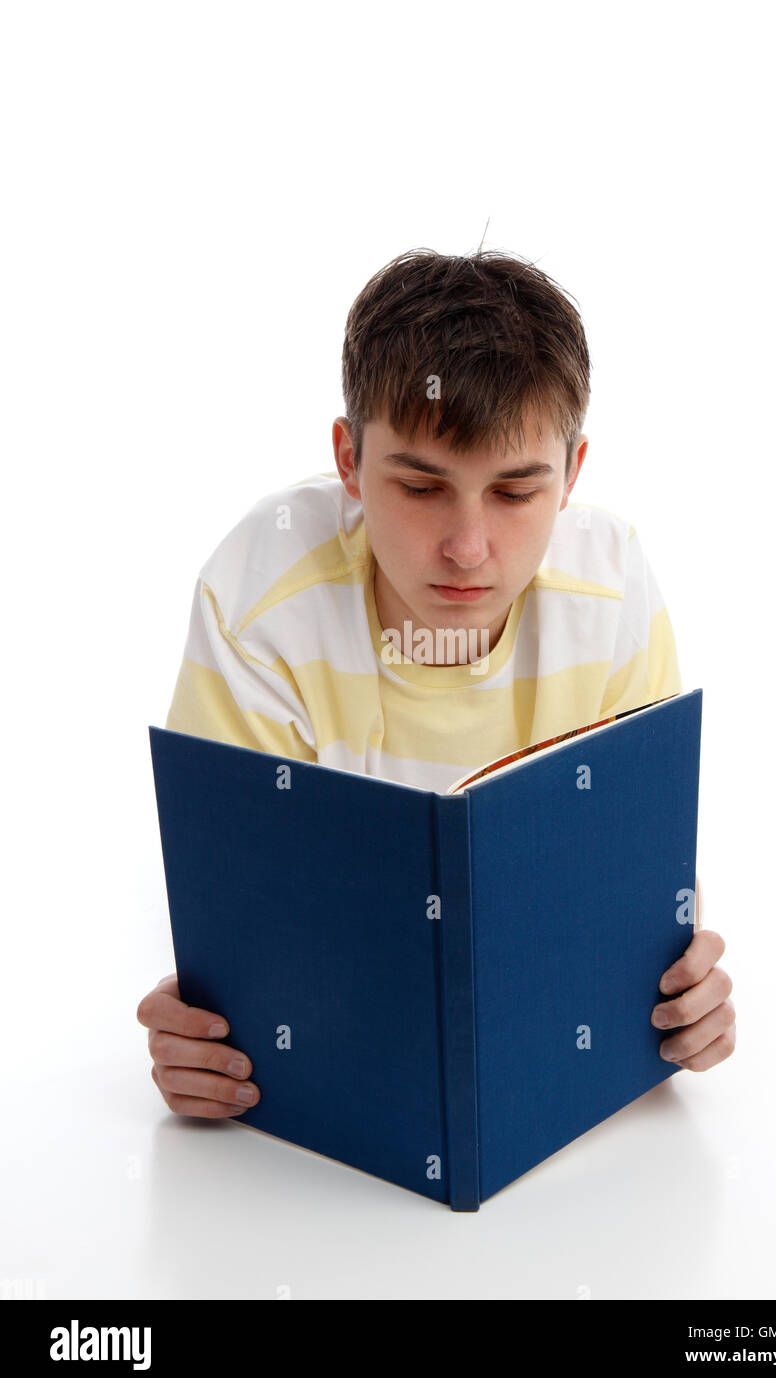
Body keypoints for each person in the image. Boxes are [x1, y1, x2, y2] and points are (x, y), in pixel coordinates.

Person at [137, 248, 735, 1121]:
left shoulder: (610, 594)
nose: (466, 549)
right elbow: (247, 921)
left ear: (571, 475)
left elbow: (627, 898)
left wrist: (683, 995)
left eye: (515, 492)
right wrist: (200, 1034)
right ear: (349, 460)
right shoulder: (258, 601)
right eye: (420, 485)